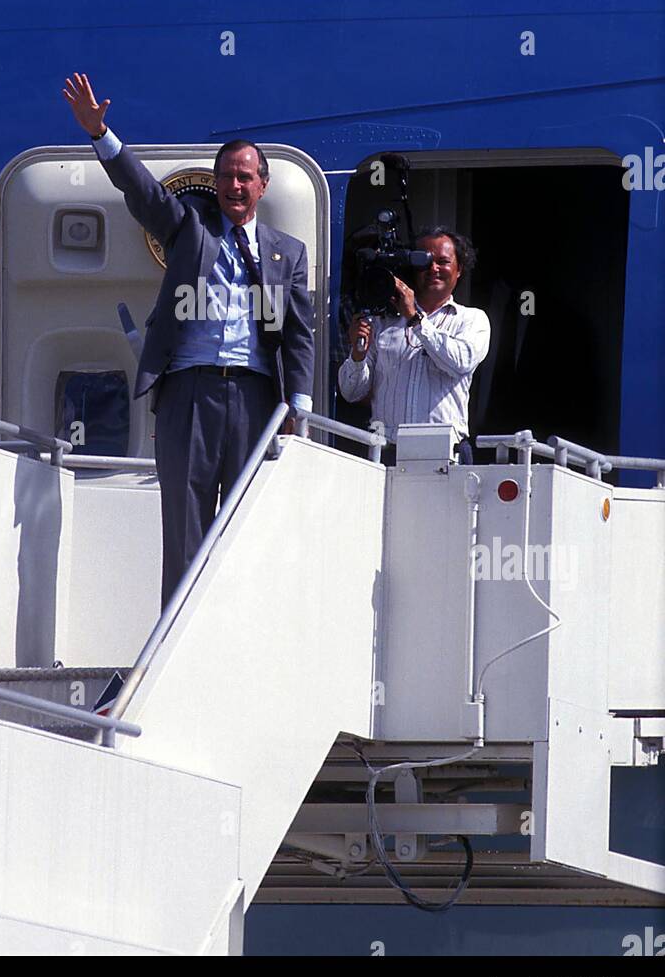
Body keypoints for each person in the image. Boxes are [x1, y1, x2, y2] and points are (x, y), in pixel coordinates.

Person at [63, 72, 315, 609]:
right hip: (188, 395)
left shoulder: (286, 252)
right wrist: (100, 134)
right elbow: (143, 191)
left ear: (262, 185)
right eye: (227, 176)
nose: (235, 186)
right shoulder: (189, 227)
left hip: (254, 397)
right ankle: (173, 645)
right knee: (184, 527)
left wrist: (300, 404)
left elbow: (298, 332)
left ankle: (235, 637)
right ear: (216, 182)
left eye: (246, 177)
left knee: (247, 525)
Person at [338, 228, 490, 464]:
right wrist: (357, 356)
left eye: (443, 262)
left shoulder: (472, 319)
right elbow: (351, 392)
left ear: (459, 269)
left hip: (445, 453)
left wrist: (414, 318)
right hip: (385, 451)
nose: (433, 269)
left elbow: (461, 362)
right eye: (425, 261)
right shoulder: (383, 321)